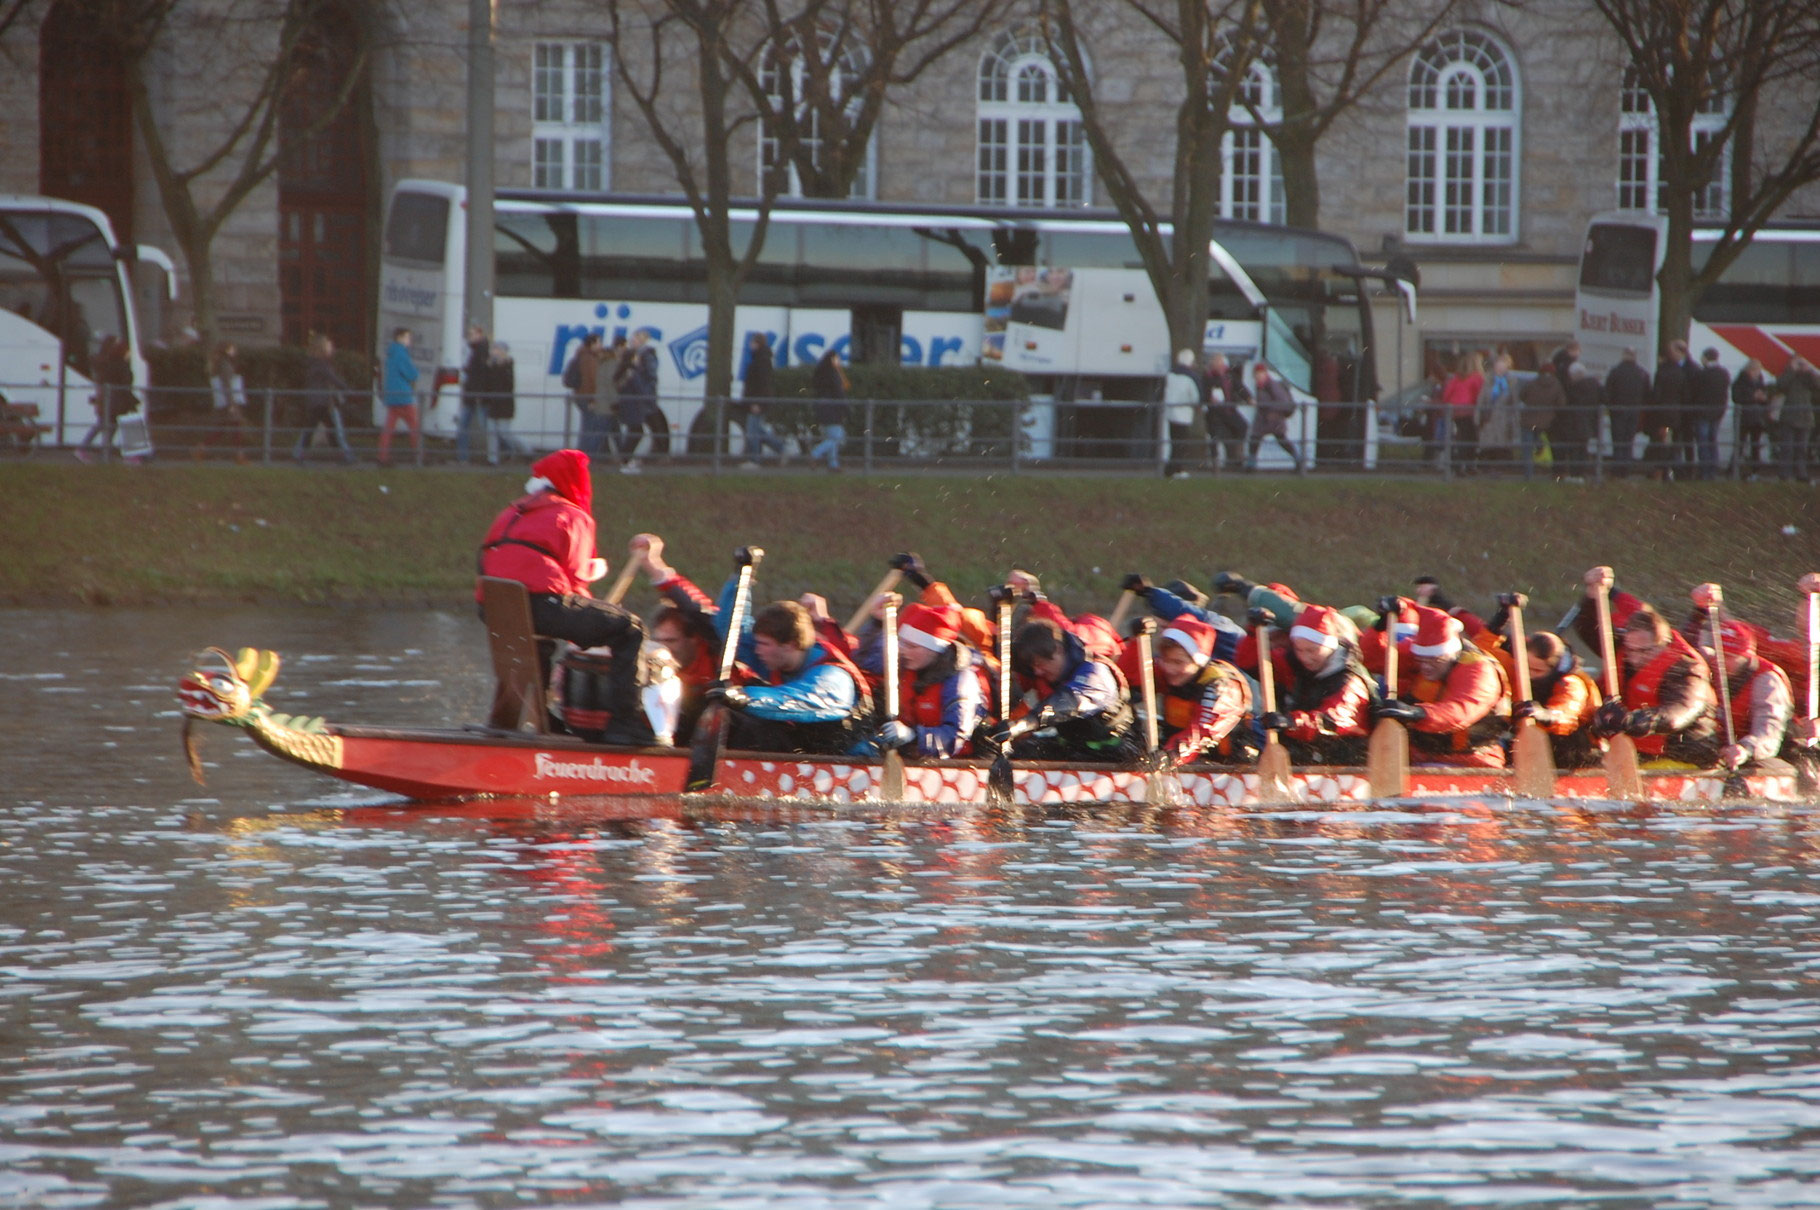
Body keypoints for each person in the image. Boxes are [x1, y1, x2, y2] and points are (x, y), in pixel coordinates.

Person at [476, 449, 650, 744]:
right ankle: (625, 726)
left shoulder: (511, 511)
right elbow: (577, 581)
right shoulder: (572, 514)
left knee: (537, 643)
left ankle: (541, 721)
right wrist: (592, 619)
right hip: (540, 603)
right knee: (630, 629)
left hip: (492, 606)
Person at [1575, 567, 1719, 766]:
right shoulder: (1624, 649)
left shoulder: (1687, 669)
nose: (1635, 658)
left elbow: (1677, 714)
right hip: (1634, 751)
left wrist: (1631, 720)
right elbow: (1588, 628)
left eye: (1644, 651)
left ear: (1664, 643)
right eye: (1631, 650)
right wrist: (1592, 594)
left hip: (1683, 756)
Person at [707, 600, 871, 755]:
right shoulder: (778, 658)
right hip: (807, 754)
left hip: (848, 764)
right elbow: (729, 630)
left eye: (764, 644)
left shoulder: (833, 677)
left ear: (790, 645)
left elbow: (797, 699)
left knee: (754, 725)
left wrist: (745, 698)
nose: (756, 651)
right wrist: (738, 577)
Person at [1370, 606, 1510, 767]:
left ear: (1450, 654)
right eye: (1421, 660)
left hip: (1475, 759)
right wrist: (1380, 626)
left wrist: (1418, 713)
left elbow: (1461, 710)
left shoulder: (1479, 669)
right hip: (1420, 756)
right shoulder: (1423, 652)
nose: (1426, 667)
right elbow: (1373, 659)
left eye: (1435, 660)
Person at [862, 600, 990, 759]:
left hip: (956, 763)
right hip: (913, 754)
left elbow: (955, 737)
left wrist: (913, 735)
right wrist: (877, 622)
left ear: (934, 651)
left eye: (912, 647)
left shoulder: (961, 682)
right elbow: (865, 661)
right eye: (903, 644)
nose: (904, 652)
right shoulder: (908, 664)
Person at [1003, 612, 1135, 762]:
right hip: (1075, 747)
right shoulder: (1054, 671)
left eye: (1040, 664)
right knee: (1016, 752)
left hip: (1115, 753)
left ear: (1058, 649)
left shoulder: (1096, 672)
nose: (1037, 672)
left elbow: (1068, 702)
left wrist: (1025, 724)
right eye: (1033, 666)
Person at [1255, 604, 1376, 766]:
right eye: (1300, 650)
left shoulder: (1351, 681)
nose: (1305, 657)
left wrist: (1291, 722)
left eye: (1312, 650)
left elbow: (1332, 721)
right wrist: (1253, 631)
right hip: (1308, 751)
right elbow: (1248, 662)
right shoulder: (1295, 664)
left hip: (1348, 757)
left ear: (1331, 646)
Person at [1142, 615, 1252, 765]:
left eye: (1178, 662)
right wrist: (1137, 640)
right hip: (1176, 754)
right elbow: (1130, 678)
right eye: (1165, 660)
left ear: (1198, 661)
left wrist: (1171, 755)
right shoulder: (1164, 672)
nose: (1169, 668)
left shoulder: (1220, 685)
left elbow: (1203, 733)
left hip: (1225, 764)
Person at [1510, 629, 1602, 769]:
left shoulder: (1571, 683)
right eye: (1526, 668)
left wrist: (1545, 715)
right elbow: (1488, 649)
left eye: (1537, 671)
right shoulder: (1516, 670)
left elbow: (1566, 714)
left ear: (1554, 668)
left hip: (1571, 751)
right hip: (1529, 745)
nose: (1530, 675)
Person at [293, 333, 355, 463]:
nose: (331, 348)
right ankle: (345, 455)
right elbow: (334, 379)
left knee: (315, 428)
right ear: (322, 348)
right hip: (322, 401)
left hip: (317, 401)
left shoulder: (315, 363)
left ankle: (298, 453)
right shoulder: (321, 364)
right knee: (330, 428)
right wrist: (347, 389)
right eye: (329, 345)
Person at [75, 334, 135, 463]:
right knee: (108, 425)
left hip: (107, 399)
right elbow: (126, 381)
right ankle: (87, 449)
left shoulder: (105, 361)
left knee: (106, 424)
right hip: (116, 401)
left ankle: (100, 451)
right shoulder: (121, 364)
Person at [1646, 339, 1692, 479]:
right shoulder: (1681, 373)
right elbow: (1686, 396)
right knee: (1673, 445)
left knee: (1663, 444)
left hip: (1662, 416)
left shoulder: (1661, 372)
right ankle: (1672, 471)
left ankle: (1662, 472)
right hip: (1676, 416)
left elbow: (1656, 395)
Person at [616, 328, 659, 473]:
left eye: (634, 339)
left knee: (635, 430)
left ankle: (625, 460)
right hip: (634, 399)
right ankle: (625, 461)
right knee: (636, 430)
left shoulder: (642, 357)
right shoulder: (635, 358)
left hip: (635, 399)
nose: (631, 342)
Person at [198, 341, 250, 462]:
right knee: (235, 428)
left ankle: (202, 448)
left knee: (223, 428)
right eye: (233, 348)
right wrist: (231, 405)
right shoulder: (225, 365)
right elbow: (227, 385)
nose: (235, 351)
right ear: (227, 350)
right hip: (229, 402)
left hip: (225, 402)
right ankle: (239, 455)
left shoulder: (221, 363)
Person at [1246, 360, 1303, 471]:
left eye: (1260, 373)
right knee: (1254, 439)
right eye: (1256, 374)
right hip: (1263, 418)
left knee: (1282, 440)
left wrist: (1267, 407)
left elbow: (1283, 402)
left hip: (1274, 418)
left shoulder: (1272, 385)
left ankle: (1299, 460)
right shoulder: (1259, 386)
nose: (1258, 376)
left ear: (1265, 373)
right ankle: (1251, 464)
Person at [740, 332, 786, 467]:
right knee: (756, 430)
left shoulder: (761, 360)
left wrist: (757, 402)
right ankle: (781, 449)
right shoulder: (762, 359)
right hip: (757, 402)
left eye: (752, 342)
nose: (750, 345)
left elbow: (762, 384)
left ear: (757, 343)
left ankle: (755, 460)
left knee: (752, 431)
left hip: (757, 403)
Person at [377, 326, 421, 467]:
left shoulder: (391, 353)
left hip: (392, 396)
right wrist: (415, 373)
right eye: (407, 337)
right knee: (414, 426)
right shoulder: (402, 353)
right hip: (404, 395)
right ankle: (419, 455)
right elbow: (412, 374)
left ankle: (382, 456)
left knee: (388, 429)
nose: (409, 340)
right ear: (400, 338)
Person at [1603, 347, 1650, 477]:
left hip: (1617, 411)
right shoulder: (1642, 373)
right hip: (1634, 411)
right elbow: (1647, 394)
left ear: (1623, 355)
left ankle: (1617, 470)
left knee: (1617, 440)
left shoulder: (1615, 372)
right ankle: (1625, 469)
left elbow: (1607, 393)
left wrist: (1610, 406)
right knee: (1629, 440)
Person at [1433, 351, 1484, 469]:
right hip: (1468, 411)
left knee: (1460, 438)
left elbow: (1447, 394)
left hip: (1454, 411)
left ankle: (1458, 464)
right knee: (1470, 439)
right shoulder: (1477, 378)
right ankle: (1468, 465)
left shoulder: (1456, 378)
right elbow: (1479, 395)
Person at [1772, 355, 1817, 483]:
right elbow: (1781, 385)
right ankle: (1784, 474)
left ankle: (1801, 474)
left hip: (1805, 417)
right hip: (1789, 417)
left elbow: (1817, 385)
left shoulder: (1808, 376)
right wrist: (1791, 370)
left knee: (1801, 449)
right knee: (1787, 448)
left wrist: (1809, 370)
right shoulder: (1787, 375)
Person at [481, 341, 525, 465]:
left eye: (496, 349)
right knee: (491, 432)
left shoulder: (508, 365)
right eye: (493, 349)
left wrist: (499, 366)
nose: (493, 351)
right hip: (493, 403)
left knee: (504, 433)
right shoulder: (490, 365)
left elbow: (508, 385)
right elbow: (487, 383)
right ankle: (492, 459)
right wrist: (489, 367)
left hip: (505, 404)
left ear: (502, 351)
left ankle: (525, 449)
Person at [1162, 349, 1204, 479]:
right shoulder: (1191, 377)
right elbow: (1196, 397)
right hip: (1184, 413)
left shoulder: (1170, 375)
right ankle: (1175, 469)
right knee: (1181, 443)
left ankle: (1172, 468)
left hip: (1170, 412)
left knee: (1174, 441)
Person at [1203, 352, 1249, 471]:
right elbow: (1204, 392)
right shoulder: (1208, 377)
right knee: (1214, 435)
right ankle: (1215, 463)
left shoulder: (1230, 375)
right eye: (1215, 363)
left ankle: (1238, 451)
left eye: (1220, 363)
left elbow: (1240, 388)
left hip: (1229, 410)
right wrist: (1209, 398)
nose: (1217, 366)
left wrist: (1249, 398)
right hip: (1215, 412)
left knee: (1243, 426)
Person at [1691, 347, 1731, 481]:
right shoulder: (1724, 373)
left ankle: (1705, 471)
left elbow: (1695, 392)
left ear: (1705, 358)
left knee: (1703, 442)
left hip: (1703, 412)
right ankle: (1713, 470)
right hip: (1717, 412)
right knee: (1713, 441)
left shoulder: (1701, 374)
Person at [1555, 361, 1599, 481]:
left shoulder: (1572, 388)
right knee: (1583, 449)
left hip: (1574, 423)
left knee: (1574, 449)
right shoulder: (1593, 386)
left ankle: (1575, 474)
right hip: (1588, 422)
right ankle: (1581, 473)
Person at [1475, 352, 1520, 466]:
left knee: (1503, 444)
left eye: (1502, 367)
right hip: (1489, 417)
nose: (1499, 369)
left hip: (1505, 418)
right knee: (1489, 444)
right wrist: (1477, 416)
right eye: (1497, 366)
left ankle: (1501, 466)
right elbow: (1481, 399)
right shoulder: (1488, 381)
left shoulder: (1511, 382)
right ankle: (1489, 466)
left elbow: (1515, 402)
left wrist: (1516, 420)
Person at [809, 349, 849, 472]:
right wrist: (846, 408)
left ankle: (833, 464)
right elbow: (839, 392)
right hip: (833, 409)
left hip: (821, 408)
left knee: (831, 437)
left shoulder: (820, 373)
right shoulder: (833, 374)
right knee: (838, 438)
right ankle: (815, 453)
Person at [1732, 357, 1772, 478]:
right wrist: (1753, 397)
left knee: (1755, 445)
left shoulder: (1760, 382)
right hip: (1744, 417)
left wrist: (1764, 399)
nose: (1757, 373)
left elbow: (1765, 399)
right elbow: (1736, 398)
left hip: (1757, 418)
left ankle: (1755, 471)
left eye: (1758, 370)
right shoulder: (1740, 381)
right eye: (1755, 370)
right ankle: (1733, 470)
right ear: (1748, 370)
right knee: (1740, 444)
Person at [455, 322, 488, 464]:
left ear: (480, 335)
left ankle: (509, 450)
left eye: (473, 334)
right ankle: (463, 457)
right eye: (469, 334)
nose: (470, 337)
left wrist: (479, 394)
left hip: (478, 396)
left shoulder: (481, 352)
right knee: (464, 426)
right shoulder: (471, 350)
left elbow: (482, 375)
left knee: (487, 427)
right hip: (470, 395)